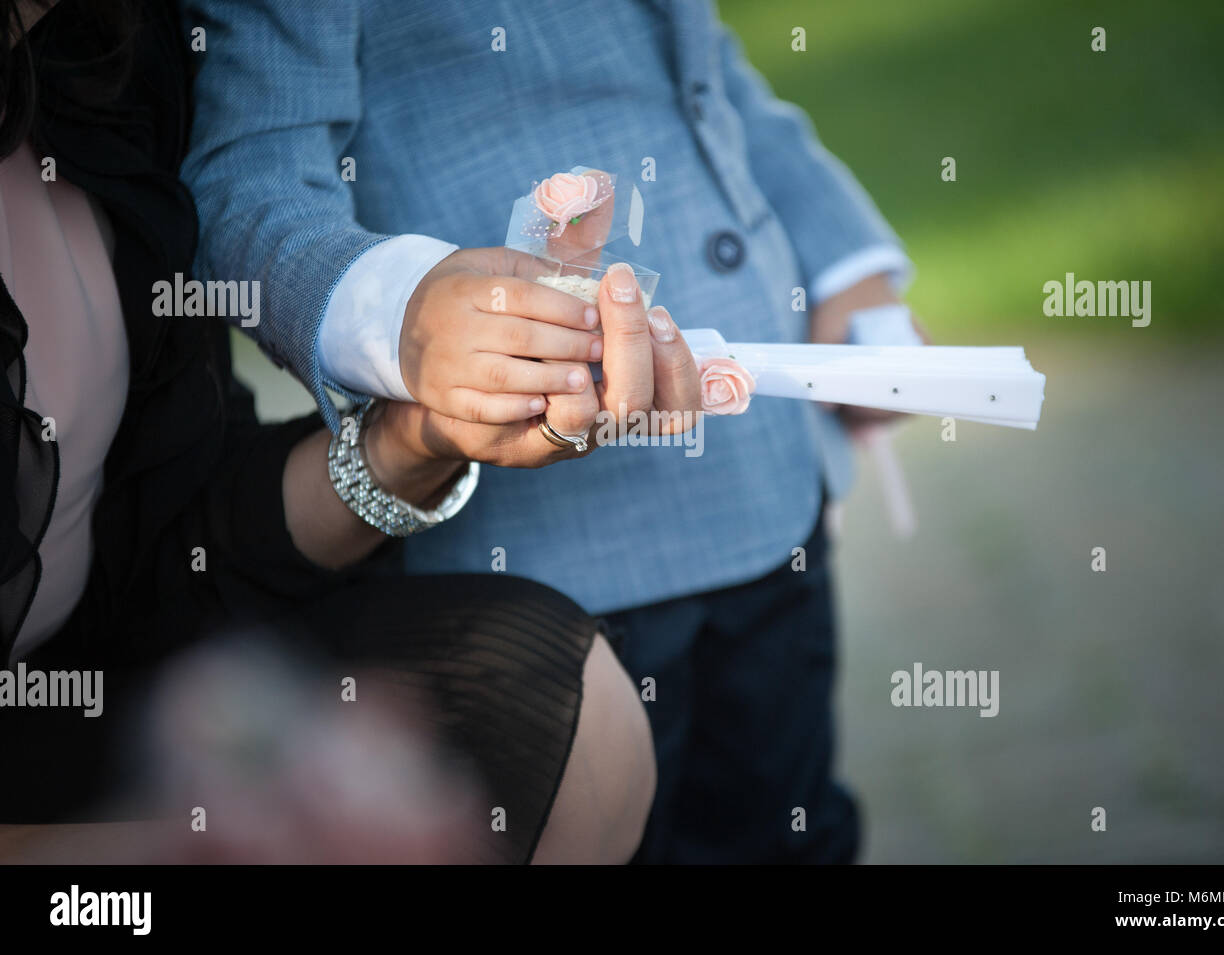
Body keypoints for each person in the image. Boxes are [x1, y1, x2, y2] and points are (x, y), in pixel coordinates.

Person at [181, 0, 924, 863]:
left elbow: (702, 77)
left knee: (796, 838)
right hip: (553, 574)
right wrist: (408, 319)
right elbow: (250, 183)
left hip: (770, 494)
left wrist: (848, 263)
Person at [0, 0, 704, 863]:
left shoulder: (103, 67)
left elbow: (161, 542)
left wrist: (416, 441)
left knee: (563, 701)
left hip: (85, 704)